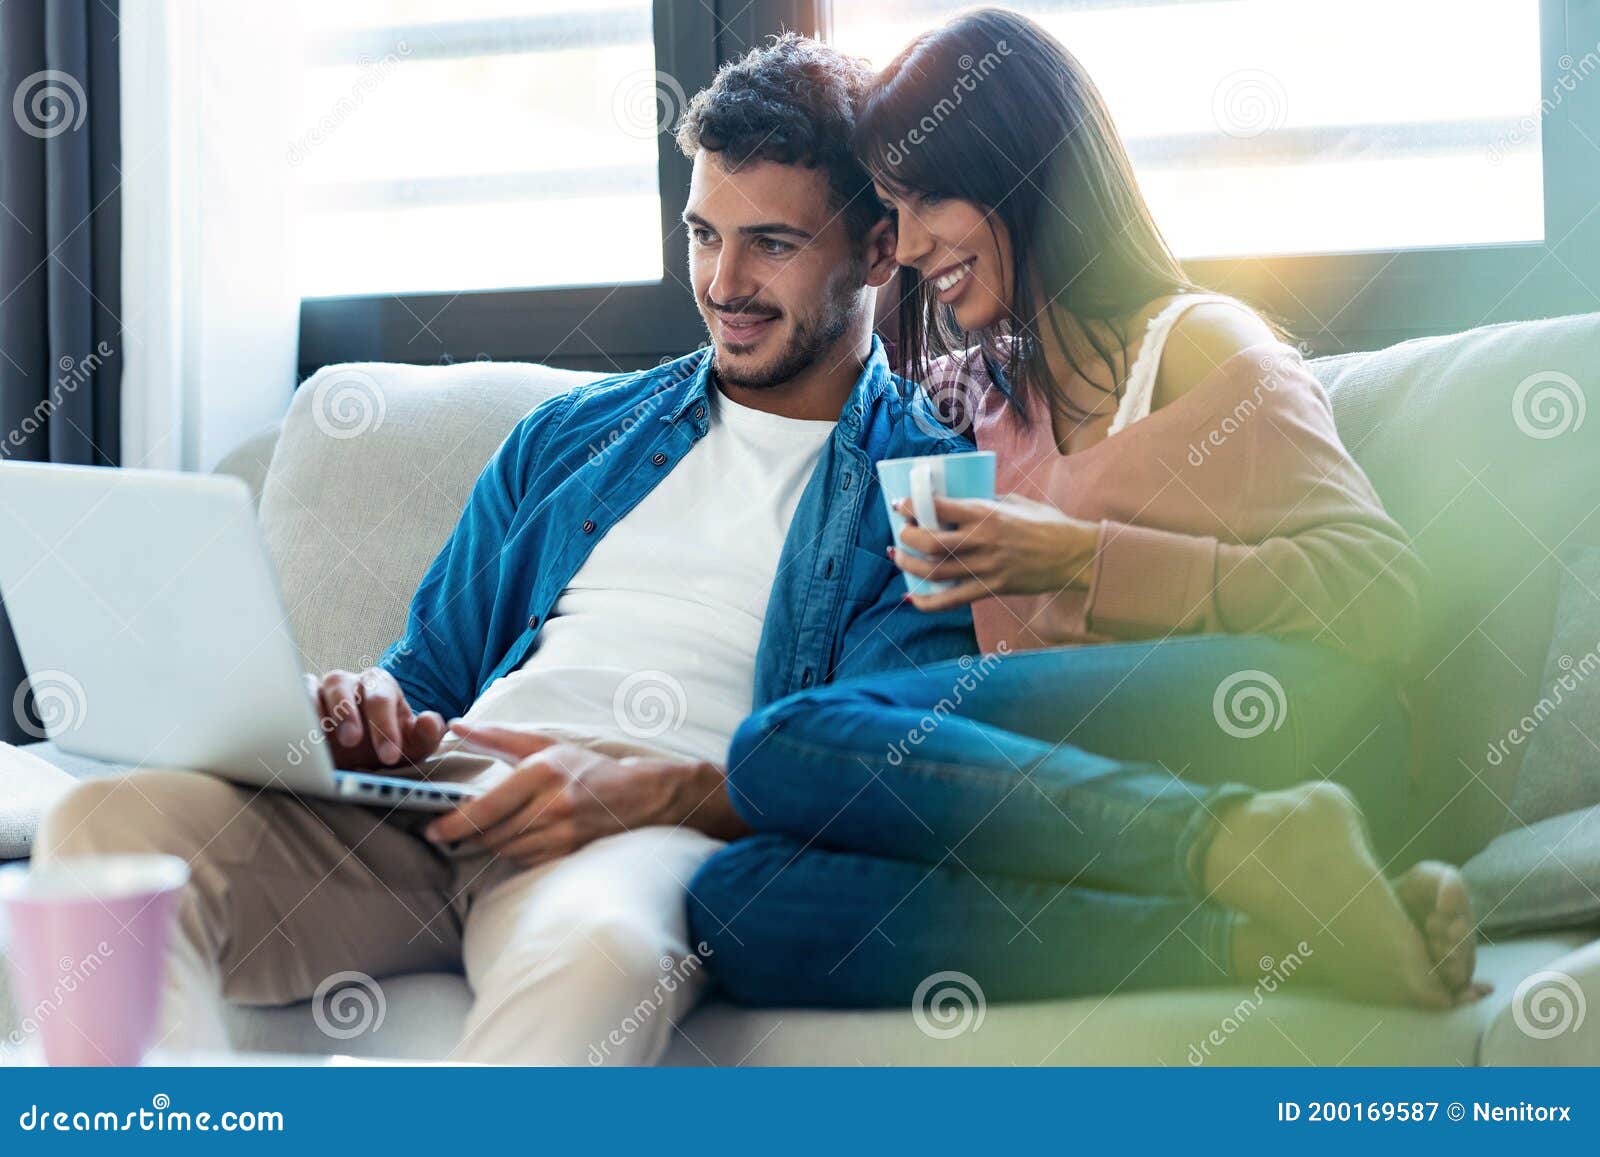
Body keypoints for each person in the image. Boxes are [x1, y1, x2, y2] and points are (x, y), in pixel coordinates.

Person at [33, 35, 977, 1065]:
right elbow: (426, 672)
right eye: (703, 234)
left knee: (601, 951)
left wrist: (646, 785)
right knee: (104, 825)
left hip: (631, 834)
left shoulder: (926, 487)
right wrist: (361, 712)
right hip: (438, 800)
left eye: (772, 244)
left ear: (880, 249)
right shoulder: (575, 434)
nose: (723, 281)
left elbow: (877, 773)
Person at [687, 9, 1486, 1012]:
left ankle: (1247, 838)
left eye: (936, 195)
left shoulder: (1197, 346)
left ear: (1029, 169)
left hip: (1287, 717)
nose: (916, 237)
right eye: (895, 206)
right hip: (1090, 792)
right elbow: (840, 392)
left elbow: (1387, 595)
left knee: (779, 742)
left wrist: (1078, 558)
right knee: (736, 898)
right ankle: (1263, 922)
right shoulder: (971, 401)